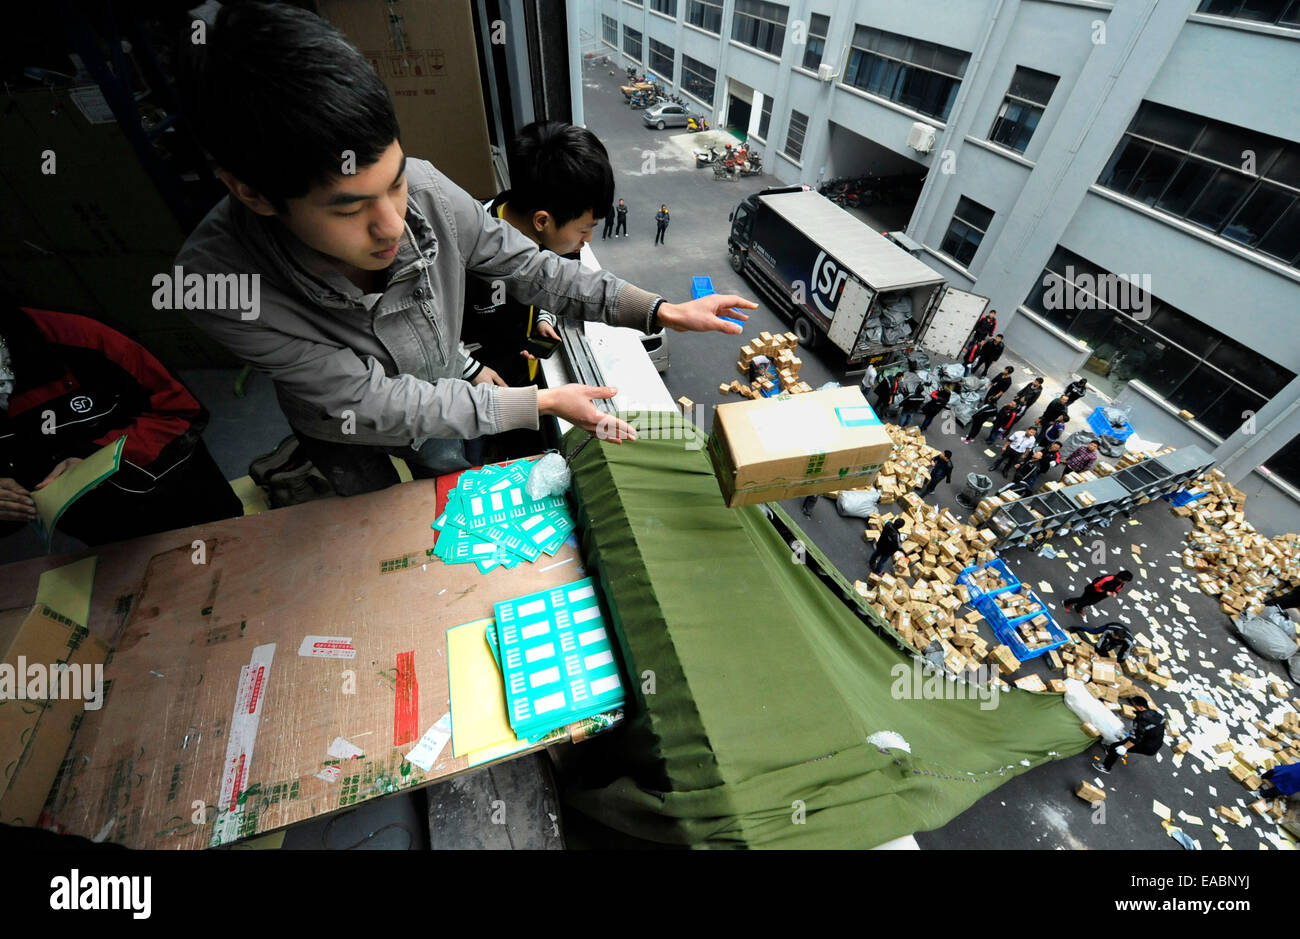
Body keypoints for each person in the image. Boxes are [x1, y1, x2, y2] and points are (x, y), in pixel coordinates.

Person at [173, 4, 753, 497]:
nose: (393, 225)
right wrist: (538, 403)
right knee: (366, 518)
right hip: (344, 428)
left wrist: (656, 309)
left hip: (447, 392)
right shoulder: (224, 285)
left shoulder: (427, 190)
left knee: (449, 486)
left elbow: (531, 266)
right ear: (252, 192)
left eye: (395, 182)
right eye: (350, 209)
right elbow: (370, 399)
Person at [0, 303, 243, 546]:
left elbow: (180, 413)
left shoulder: (81, 334)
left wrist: (94, 460)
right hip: (99, 532)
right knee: (142, 578)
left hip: (177, 496)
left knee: (230, 556)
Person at [462, 121, 610, 392]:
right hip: (472, 390)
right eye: (585, 229)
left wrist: (543, 317)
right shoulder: (464, 250)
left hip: (521, 371)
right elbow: (429, 332)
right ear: (543, 220)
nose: (586, 241)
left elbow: (548, 285)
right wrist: (469, 369)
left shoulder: (549, 238)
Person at [1096, 697, 1165, 774]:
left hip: (1147, 746)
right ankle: (1111, 750)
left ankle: (1106, 767)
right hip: (1155, 742)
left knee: (1115, 747)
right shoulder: (1156, 714)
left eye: (1135, 706)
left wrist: (1124, 747)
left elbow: (1136, 738)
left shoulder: (1142, 719)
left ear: (1141, 707)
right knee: (1121, 743)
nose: (1133, 707)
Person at [1063, 570, 1133, 618]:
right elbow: (1095, 584)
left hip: (1101, 595)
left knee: (1091, 602)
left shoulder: (1121, 583)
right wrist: (1105, 592)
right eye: (1126, 580)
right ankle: (1066, 602)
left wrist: (1115, 592)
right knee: (1083, 600)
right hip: (1091, 590)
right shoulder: (1108, 578)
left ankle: (1078, 607)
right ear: (1121, 578)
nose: (1126, 582)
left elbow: (1118, 589)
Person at [1068, 621, 1135, 662]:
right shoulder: (1110, 631)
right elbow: (1102, 639)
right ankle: (1075, 628)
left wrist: (1119, 661)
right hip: (1111, 626)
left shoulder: (1128, 643)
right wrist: (1096, 651)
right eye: (1113, 634)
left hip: (1119, 640)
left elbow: (1124, 652)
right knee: (1093, 631)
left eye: (1114, 635)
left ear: (1119, 638)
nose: (1112, 634)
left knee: (1109, 648)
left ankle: (1100, 654)